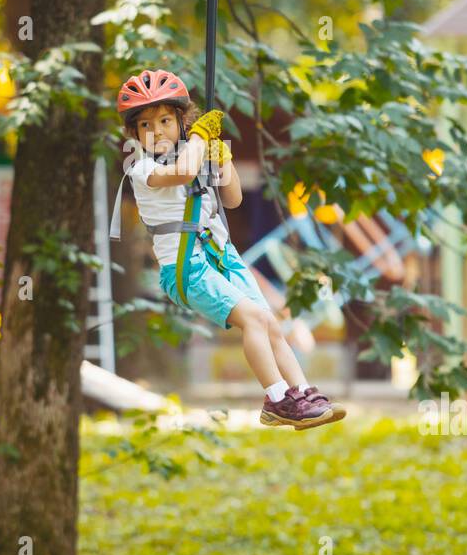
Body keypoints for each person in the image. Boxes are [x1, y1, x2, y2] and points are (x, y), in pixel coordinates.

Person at [111, 69, 345, 430]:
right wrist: (201, 140)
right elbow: (184, 171)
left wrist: (223, 159)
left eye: (165, 121)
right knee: (252, 319)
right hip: (187, 267)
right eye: (145, 125)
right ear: (134, 134)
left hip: (221, 256)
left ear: (180, 122)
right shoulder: (142, 168)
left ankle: (302, 391)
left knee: (269, 322)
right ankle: (277, 397)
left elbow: (232, 199)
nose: (156, 131)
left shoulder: (196, 155)